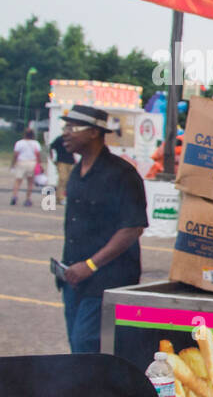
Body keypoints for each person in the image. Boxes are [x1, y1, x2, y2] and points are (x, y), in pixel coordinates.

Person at [58, 106, 148, 353]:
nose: (65, 133)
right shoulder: (77, 172)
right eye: (65, 127)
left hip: (107, 281)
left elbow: (132, 228)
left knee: (87, 346)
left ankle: (94, 392)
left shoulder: (122, 174)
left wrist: (90, 265)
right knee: (78, 349)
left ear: (94, 133)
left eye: (72, 128)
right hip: (75, 281)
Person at [10, 126, 41, 207]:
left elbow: (15, 155)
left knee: (18, 181)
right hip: (32, 163)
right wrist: (39, 164)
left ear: (24, 134)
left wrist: (13, 164)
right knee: (30, 183)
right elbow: (38, 155)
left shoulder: (19, 143)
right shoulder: (36, 143)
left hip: (21, 162)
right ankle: (27, 199)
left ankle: (14, 196)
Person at [49, 129, 77, 205]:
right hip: (61, 161)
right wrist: (52, 158)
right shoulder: (59, 139)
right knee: (62, 179)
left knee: (69, 180)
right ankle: (60, 197)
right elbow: (51, 147)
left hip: (70, 161)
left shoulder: (71, 140)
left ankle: (63, 196)